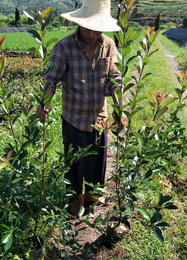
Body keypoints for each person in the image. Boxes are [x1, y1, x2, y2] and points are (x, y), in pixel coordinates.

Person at [36, 0, 127, 216]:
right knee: (74, 166)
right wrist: (45, 102)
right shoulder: (64, 47)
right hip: (74, 120)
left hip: (99, 119)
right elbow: (52, 78)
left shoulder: (108, 45)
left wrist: (119, 108)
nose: (95, 34)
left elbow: (114, 77)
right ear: (81, 22)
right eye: (91, 27)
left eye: (99, 29)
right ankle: (75, 200)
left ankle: (91, 197)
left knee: (97, 164)